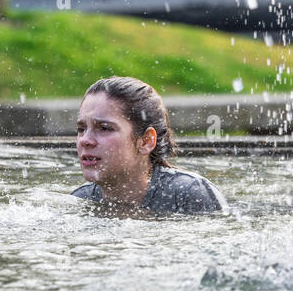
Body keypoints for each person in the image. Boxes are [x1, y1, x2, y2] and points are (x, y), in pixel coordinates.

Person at [73, 77, 226, 214]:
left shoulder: (189, 195)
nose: (85, 140)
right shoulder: (81, 200)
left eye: (104, 128)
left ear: (146, 141)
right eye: (81, 129)